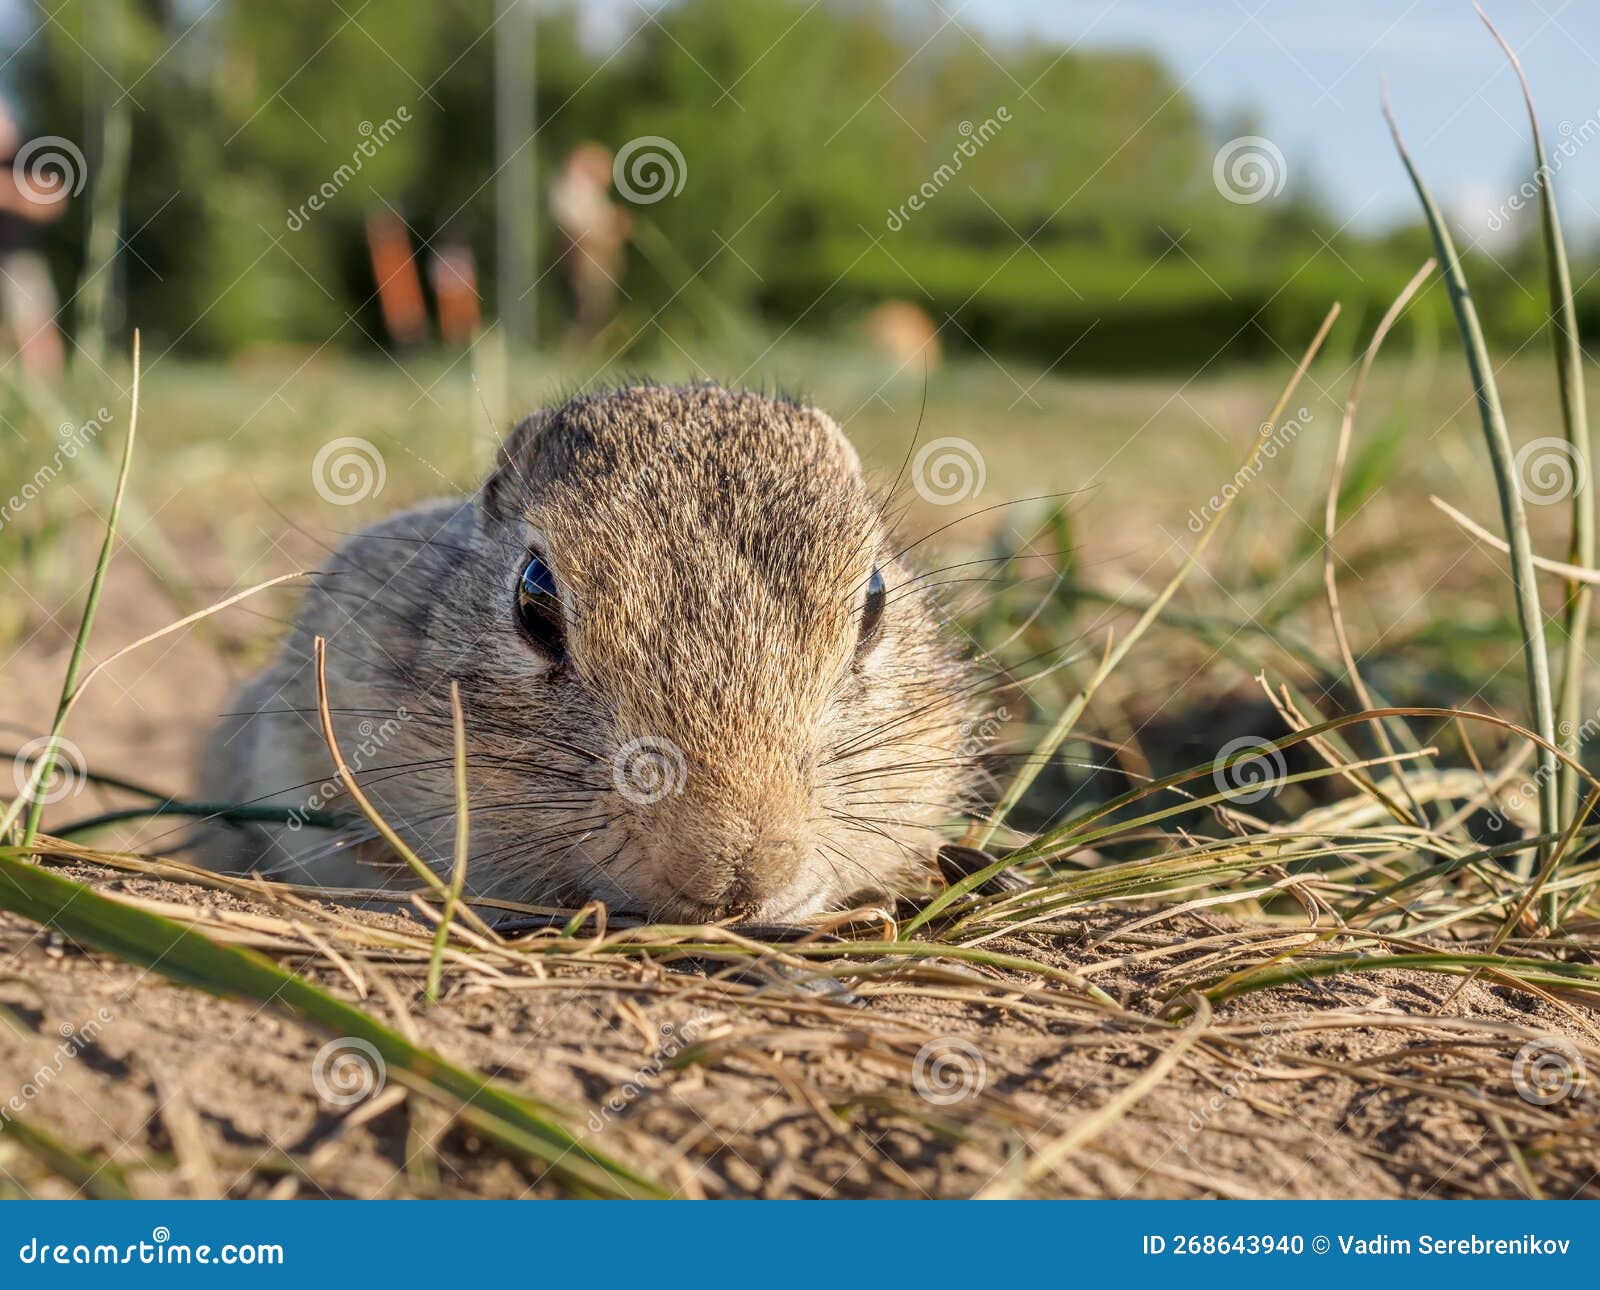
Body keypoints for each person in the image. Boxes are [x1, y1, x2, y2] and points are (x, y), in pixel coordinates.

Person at [0, 99, 69, 382]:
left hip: (20, 259)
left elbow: (54, 200)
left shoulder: (27, 154)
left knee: (36, 331)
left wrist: (7, 190)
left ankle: (48, 395)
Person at [549, 142, 630, 344]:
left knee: (597, 313)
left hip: (596, 264)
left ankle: (589, 356)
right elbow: (580, 232)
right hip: (584, 264)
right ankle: (576, 359)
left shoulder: (590, 193)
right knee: (586, 314)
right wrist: (610, 235)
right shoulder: (573, 190)